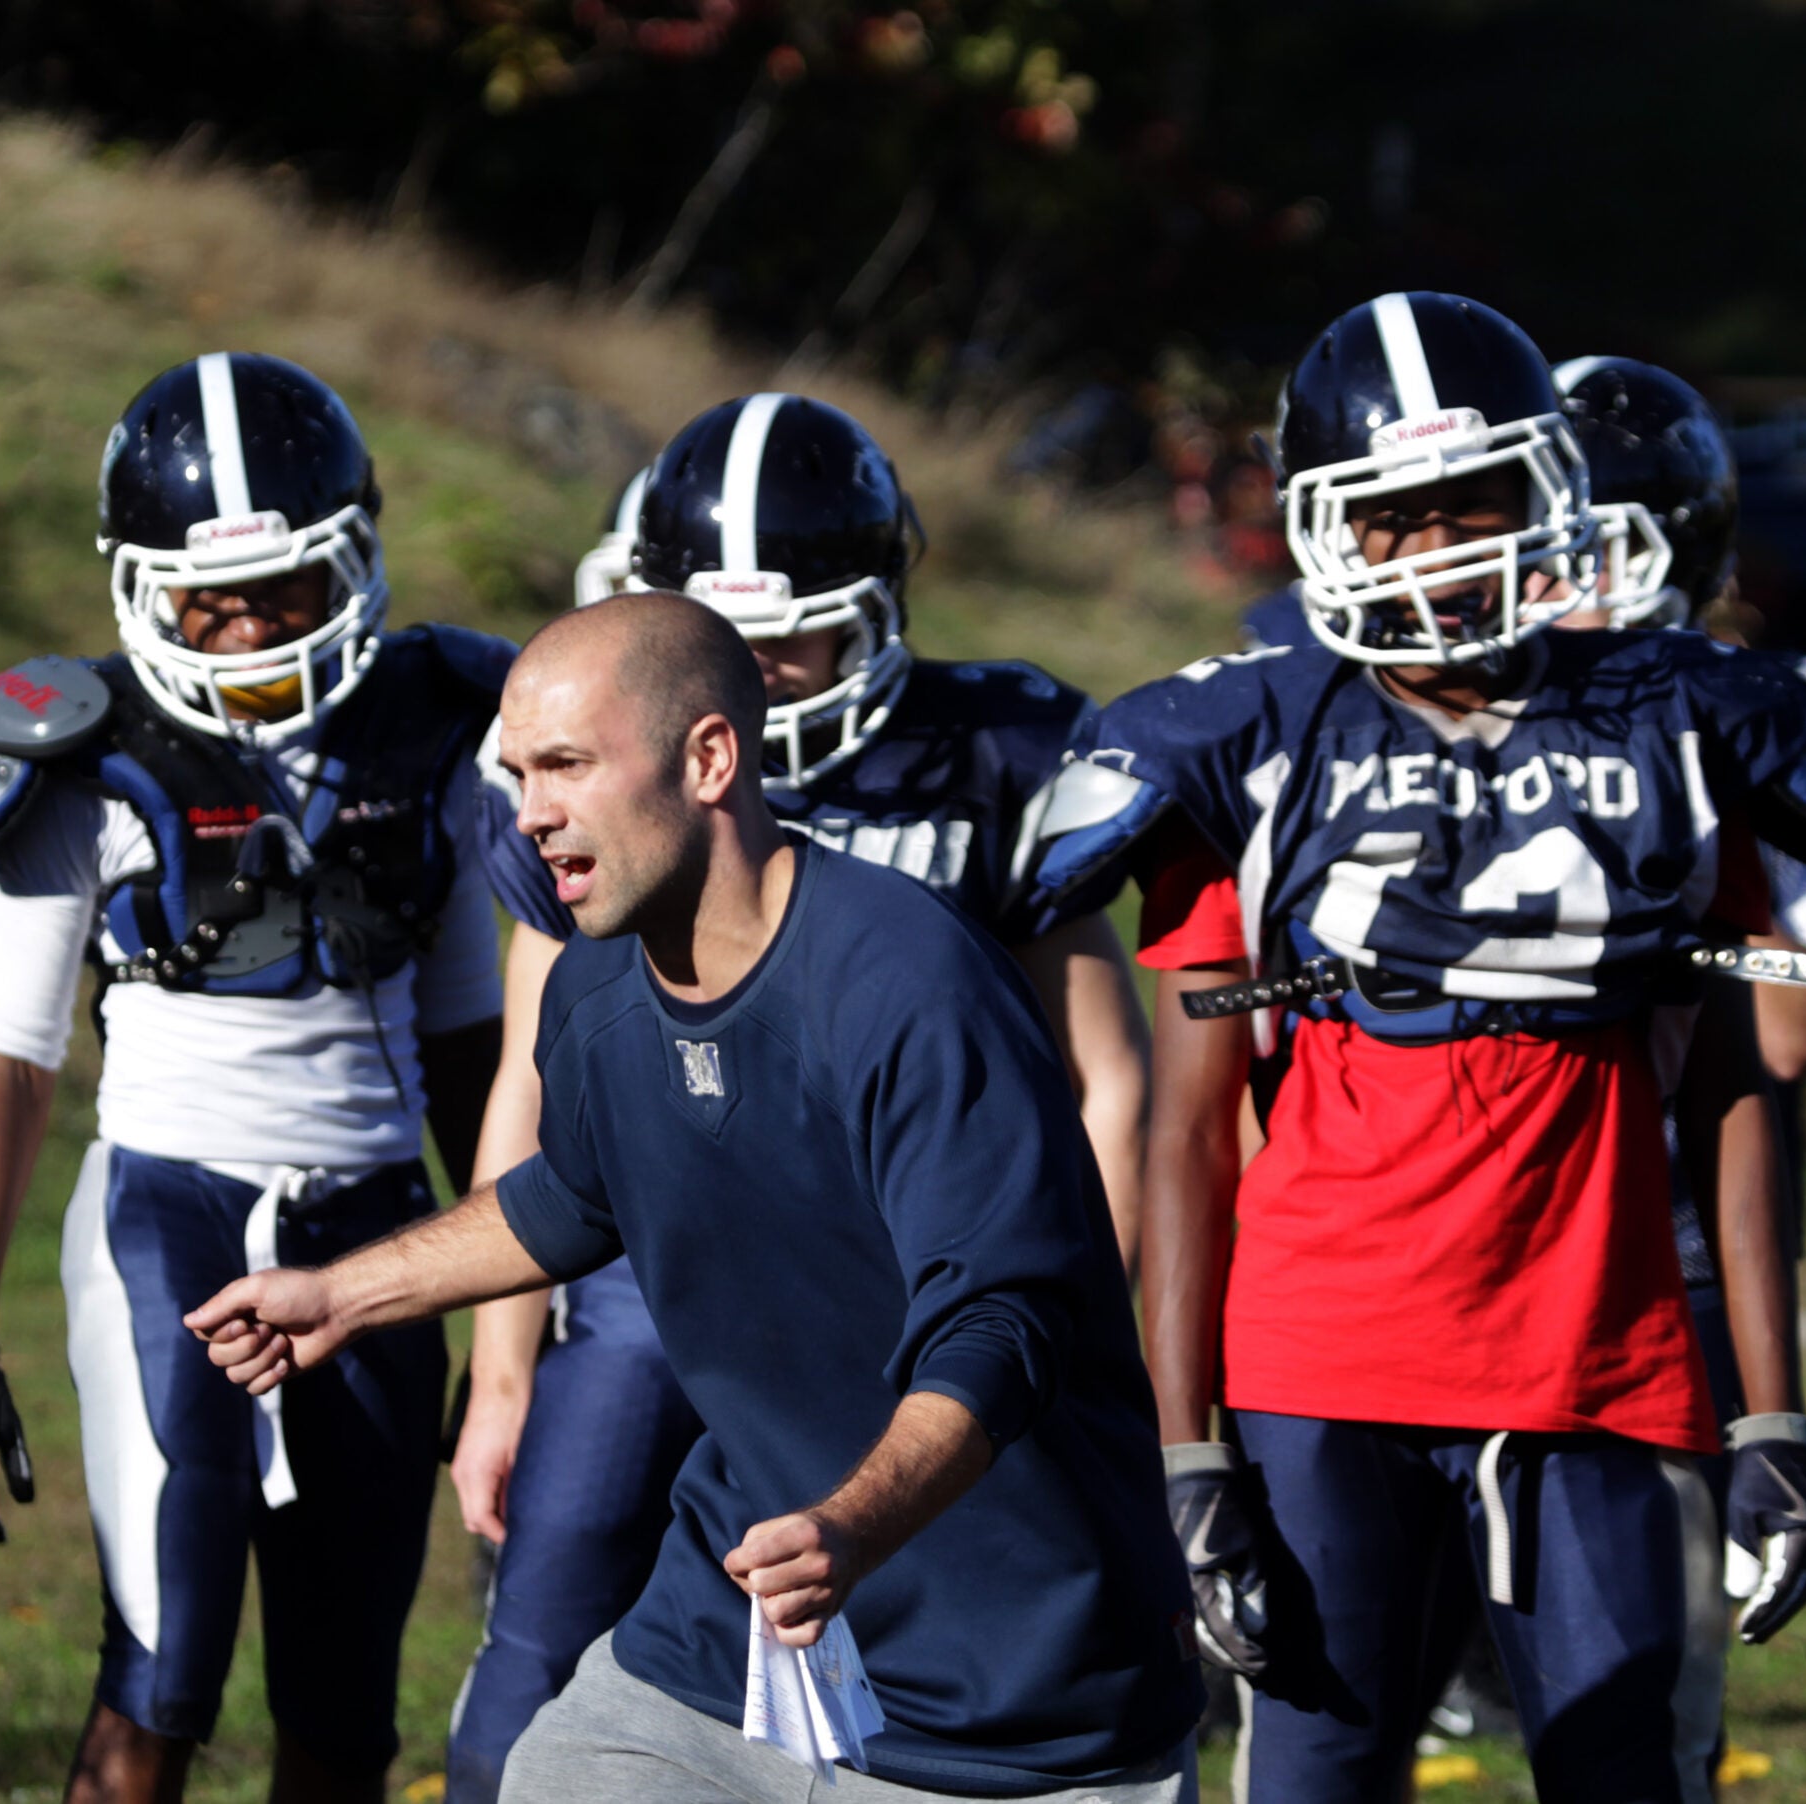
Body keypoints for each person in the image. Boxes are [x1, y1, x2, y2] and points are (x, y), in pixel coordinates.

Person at [1036, 294, 1806, 1801]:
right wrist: (1189, 1448)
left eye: (1470, 506)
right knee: (1320, 1772)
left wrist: (1771, 1414)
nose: (1439, 553)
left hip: (1597, 1363)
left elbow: (1740, 1081)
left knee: (1625, 1773)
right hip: (1317, 1369)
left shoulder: (1673, 729)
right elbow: (1187, 1130)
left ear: (1550, 497)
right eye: (1396, 518)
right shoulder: (1253, 751)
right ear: (1325, 533)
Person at [191, 591, 1202, 1803]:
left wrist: (851, 1530)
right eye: (519, 774)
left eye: (565, 766)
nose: (533, 816)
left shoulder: (908, 980)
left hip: (1020, 1704)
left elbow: (1003, 1325)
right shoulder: (595, 986)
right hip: (720, 1652)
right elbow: (570, 1195)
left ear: (710, 757)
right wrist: (344, 1294)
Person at [444, 393, 1154, 1803]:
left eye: (798, 638)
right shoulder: (590, 792)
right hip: (656, 1286)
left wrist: (1073, 1357)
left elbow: (1102, 1089)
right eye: (733, 638)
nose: (766, 672)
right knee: (529, 1690)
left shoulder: (985, 762)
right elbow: (538, 1097)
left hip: (900, 1297)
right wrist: (504, 1370)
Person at [0, 352, 509, 1804]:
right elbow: (12, 1064)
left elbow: (479, 1056)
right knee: (162, 1667)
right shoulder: (89, 759)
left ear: (351, 563)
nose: (247, 631)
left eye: (285, 590)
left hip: (381, 1234)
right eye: (211, 601)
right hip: (165, 1223)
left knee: (347, 1695)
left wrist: (512, 1320)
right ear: (144, 592)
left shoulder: (435, 736)